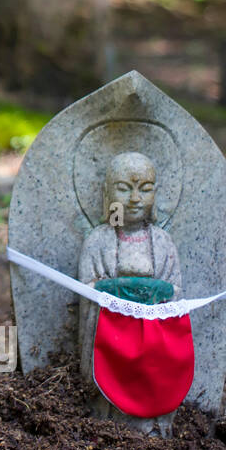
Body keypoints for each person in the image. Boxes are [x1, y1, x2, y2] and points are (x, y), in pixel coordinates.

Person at [77, 150, 182, 434]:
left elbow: (176, 296)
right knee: (111, 396)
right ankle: (106, 426)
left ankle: (153, 426)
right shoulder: (98, 242)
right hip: (111, 339)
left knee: (152, 382)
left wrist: (154, 298)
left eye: (145, 189)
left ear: (155, 194)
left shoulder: (163, 243)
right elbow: (87, 295)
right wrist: (113, 296)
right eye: (124, 189)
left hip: (153, 339)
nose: (135, 199)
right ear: (107, 193)